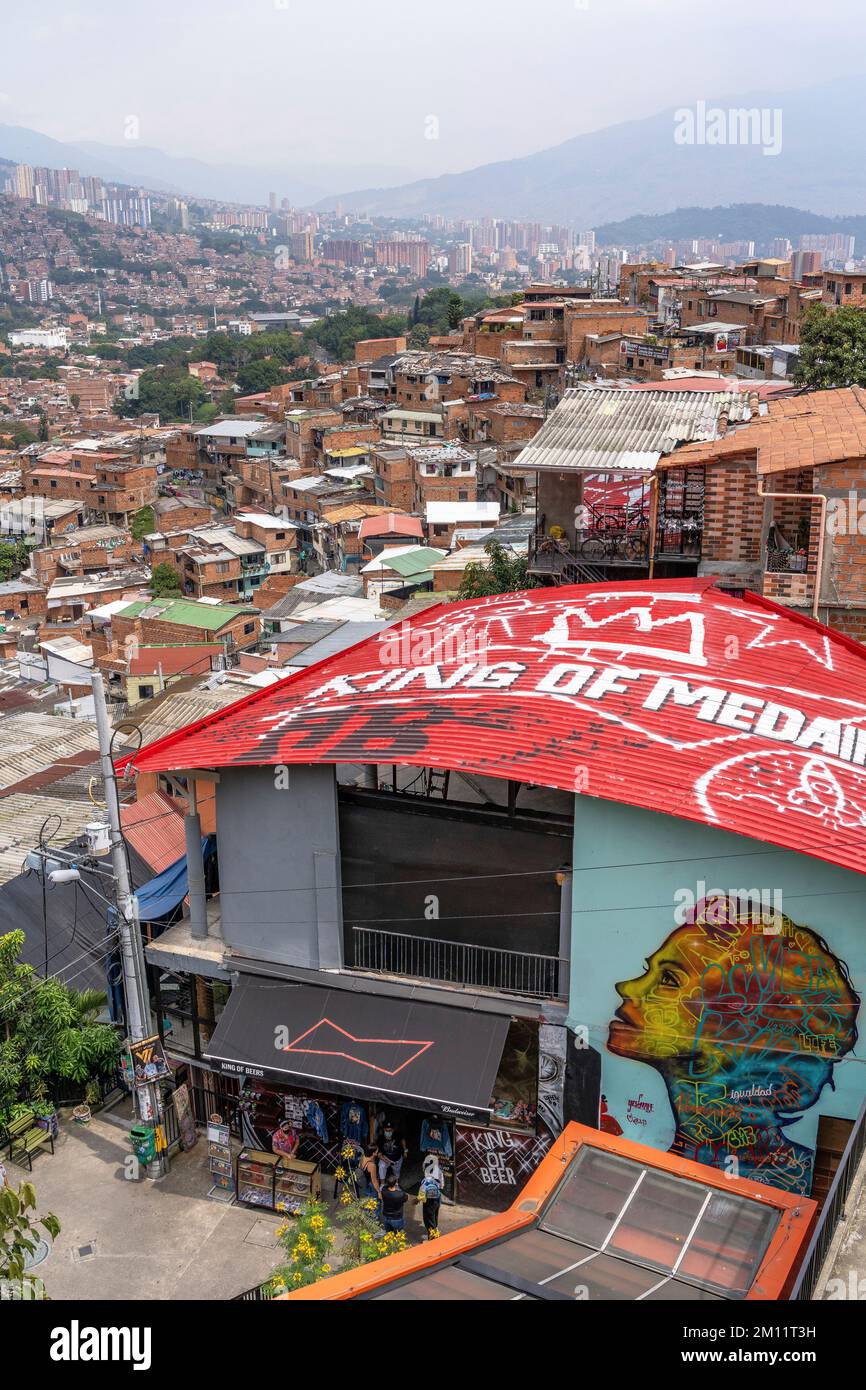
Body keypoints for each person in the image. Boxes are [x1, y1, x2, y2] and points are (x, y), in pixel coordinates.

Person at [416, 1157, 443, 1240]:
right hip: (437, 1198)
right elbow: (442, 1185)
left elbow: (421, 1194)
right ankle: (435, 1232)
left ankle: (432, 1238)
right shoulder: (439, 1172)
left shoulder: (426, 1180)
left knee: (428, 1220)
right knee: (434, 1216)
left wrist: (416, 1200)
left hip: (429, 1202)